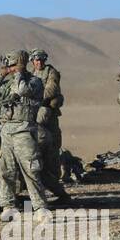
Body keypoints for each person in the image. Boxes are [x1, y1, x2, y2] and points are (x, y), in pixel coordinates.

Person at [0, 50, 51, 222]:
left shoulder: (34, 81)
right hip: (6, 130)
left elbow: (22, 90)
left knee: (31, 168)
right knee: (5, 169)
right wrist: (2, 74)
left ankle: (40, 207)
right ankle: (8, 206)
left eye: (13, 65)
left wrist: (20, 73)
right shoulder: (9, 82)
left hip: (24, 130)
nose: (11, 69)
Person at [29, 49, 71, 202]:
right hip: (34, 116)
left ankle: (57, 188)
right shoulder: (30, 74)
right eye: (36, 59)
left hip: (49, 117)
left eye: (41, 59)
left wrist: (34, 96)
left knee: (52, 151)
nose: (38, 62)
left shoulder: (51, 72)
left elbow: (52, 89)